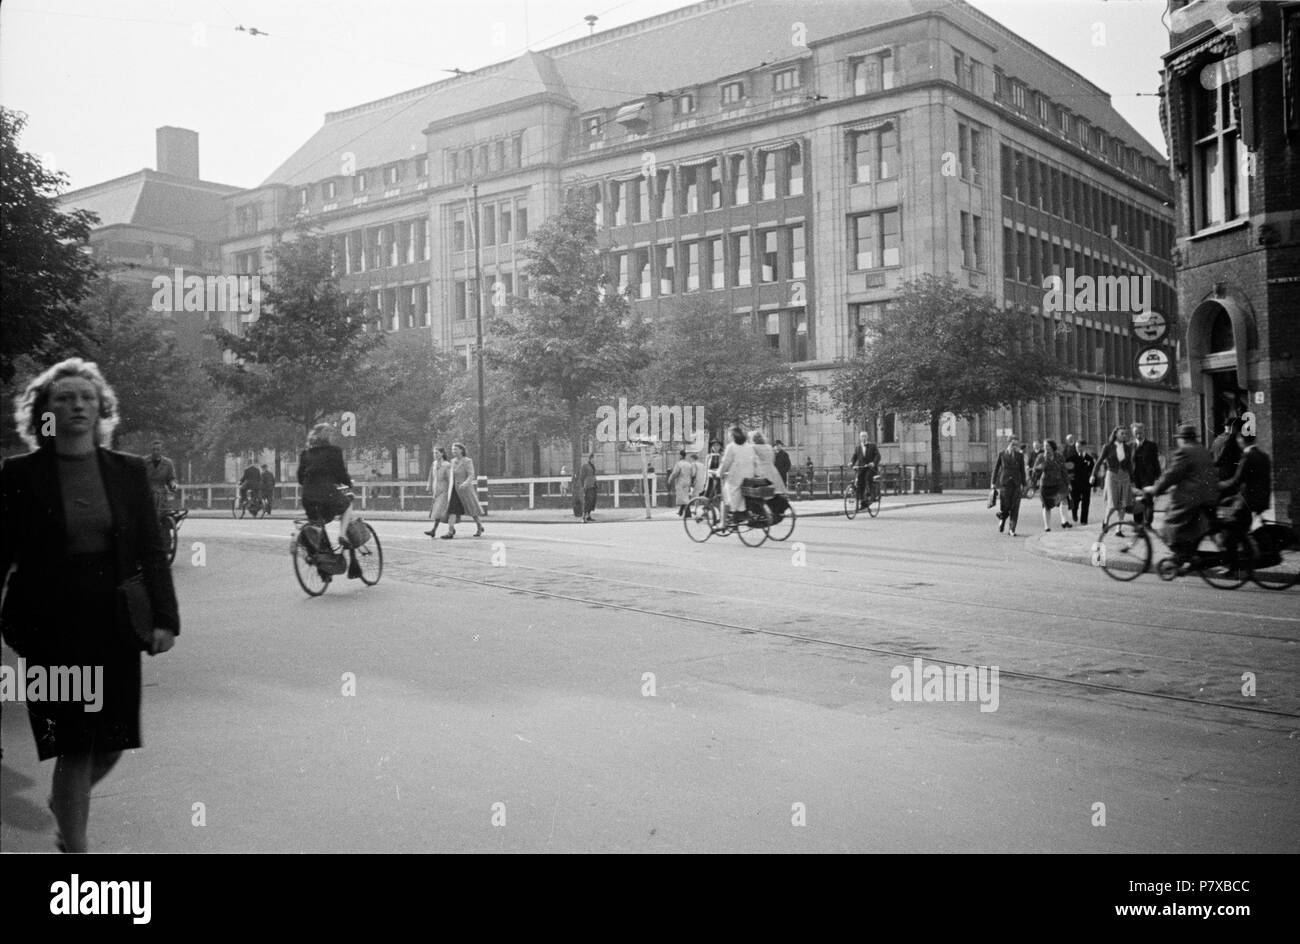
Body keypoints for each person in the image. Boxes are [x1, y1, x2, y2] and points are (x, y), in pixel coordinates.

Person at [0, 358, 179, 853]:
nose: (76, 405)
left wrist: (164, 619)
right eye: (63, 398)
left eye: (86, 397)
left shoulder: (129, 472)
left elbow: (149, 551)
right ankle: (75, 852)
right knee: (75, 743)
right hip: (48, 623)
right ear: (45, 412)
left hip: (116, 619)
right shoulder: (19, 475)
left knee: (115, 738)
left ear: (102, 408)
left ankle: (67, 800)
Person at [1143, 423, 1218, 565]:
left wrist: (1154, 490)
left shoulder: (1185, 451)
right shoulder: (1203, 450)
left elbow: (1171, 475)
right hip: (1210, 496)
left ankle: (1180, 556)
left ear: (1182, 439)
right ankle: (1187, 553)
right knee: (1191, 528)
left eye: (1178, 438)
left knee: (1169, 522)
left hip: (1193, 498)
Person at [296, 423, 360, 577]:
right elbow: (341, 474)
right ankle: (342, 535)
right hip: (327, 495)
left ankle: (322, 566)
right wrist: (349, 484)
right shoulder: (334, 452)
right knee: (347, 505)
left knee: (318, 524)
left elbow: (300, 478)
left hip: (308, 498)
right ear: (328, 437)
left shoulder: (305, 454)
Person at [1219, 431, 1272, 524]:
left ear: (1240, 440)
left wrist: (1218, 485)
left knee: (1225, 517)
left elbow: (1236, 480)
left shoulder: (1247, 456)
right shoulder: (1264, 456)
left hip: (1249, 501)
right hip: (1263, 499)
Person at [1093, 425, 1135, 536]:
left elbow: (1129, 464)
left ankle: (1118, 529)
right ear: (1116, 434)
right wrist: (1093, 475)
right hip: (1112, 476)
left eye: (1126, 434)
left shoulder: (1127, 448)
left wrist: (1132, 479)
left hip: (1125, 476)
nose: (1124, 436)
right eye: (1122, 433)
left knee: (1124, 504)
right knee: (1113, 504)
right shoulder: (1107, 447)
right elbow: (1099, 461)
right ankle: (1106, 521)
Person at [442, 442, 484, 539]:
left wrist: (465, 483)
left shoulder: (467, 461)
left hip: (465, 490)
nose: (454, 451)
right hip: (454, 490)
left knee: (472, 510)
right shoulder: (452, 461)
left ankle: (479, 526)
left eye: (456, 449)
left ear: (461, 450)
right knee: (452, 510)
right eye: (452, 449)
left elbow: (471, 474)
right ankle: (450, 531)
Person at [717, 424, 757, 523]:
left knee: (726, 495)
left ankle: (724, 522)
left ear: (732, 436)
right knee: (740, 495)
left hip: (736, 476)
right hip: (749, 476)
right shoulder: (749, 446)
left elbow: (726, 462)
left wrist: (719, 473)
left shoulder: (731, 447)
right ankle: (738, 514)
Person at [750, 432, 790, 521]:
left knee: (758, 492)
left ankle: (761, 512)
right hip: (773, 471)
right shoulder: (768, 447)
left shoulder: (753, 447)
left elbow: (752, 460)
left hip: (762, 471)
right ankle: (777, 510)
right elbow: (773, 459)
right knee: (775, 492)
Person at [991, 435, 1026, 536]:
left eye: (1016, 444)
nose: (1014, 445)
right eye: (1013, 443)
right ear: (1009, 442)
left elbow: (1022, 471)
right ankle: (1002, 519)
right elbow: (996, 469)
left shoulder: (1020, 456)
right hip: (1005, 484)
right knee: (1005, 506)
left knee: (1015, 507)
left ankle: (1012, 529)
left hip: (1016, 484)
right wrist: (993, 483)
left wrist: (1024, 484)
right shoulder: (1002, 454)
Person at [1033, 439, 1071, 531]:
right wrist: (1039, 467)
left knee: (1064, 498)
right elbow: (1035, 470)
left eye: (1048, 446)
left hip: (1058, 483)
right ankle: (1047, 526)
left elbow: (1064, 471)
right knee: (1046, 506)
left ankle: (1064, 521)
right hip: (1045, 484)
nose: (1046, 448)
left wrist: (1068, 483)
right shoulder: (1041, 457)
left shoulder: (1059, 456)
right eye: (1045, 446)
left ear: (1053, 447)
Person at [1129, 422, 1161, 528]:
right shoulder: (1130, 446)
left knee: (1148, 500)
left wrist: (1158, 477)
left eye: (1140, 433)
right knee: (1137, 500)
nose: (1138, 435)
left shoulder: (1152, 445)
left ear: (1144, 432)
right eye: (1136, 433)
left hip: (1148, 477)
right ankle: (1138, 523)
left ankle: (1148, 522)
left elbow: (1155, 461)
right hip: (1135, 478)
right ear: (1133, 434)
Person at [145, 438, 178, 523]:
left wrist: (173, 484)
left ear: (161, 450)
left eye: (158, 449)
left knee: (164, 513)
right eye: (153, 449)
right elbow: (139, 478)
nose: (155, 451)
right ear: (150, 450)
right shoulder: (144, 462)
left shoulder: (168, 463)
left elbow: (171, 478)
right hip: (147, 493)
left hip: (162, 494)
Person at [1067, 439, 1095, 525]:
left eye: (1078, 447)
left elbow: (1093, 472)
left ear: (1084, 447)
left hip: (1086, 484)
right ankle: (1074, 513)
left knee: (1086, 502)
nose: (1077, 448)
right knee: (1075, 502)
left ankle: (1084, 521)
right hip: (1075, 484)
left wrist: (1094, 485)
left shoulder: (1090, 459)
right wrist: (1068, 482)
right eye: (1076, 447)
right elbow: (1067, 470)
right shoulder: (1071, 458)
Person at [850, 431, 881, 509]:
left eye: (865, 436)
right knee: (859, 482)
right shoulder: (858, 447)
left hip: (870, 468)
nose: (863, 438)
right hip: (861, 468)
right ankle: (862, 499)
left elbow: (878, 456)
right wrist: (851, 463)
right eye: (862, 436)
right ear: (860, 438)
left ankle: (870, 496)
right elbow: (854, 457)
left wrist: (873, 463)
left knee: (867, 478)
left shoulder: (872, 446)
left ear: (867, 437)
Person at [424, 447, 451, 538]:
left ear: (442, 453)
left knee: (438, 511)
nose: (435, 455)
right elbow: (431, 477)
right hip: (436, 491)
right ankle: (452, 529)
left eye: (437, 453)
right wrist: (429, 487)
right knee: (442, 512)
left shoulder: (447, 465)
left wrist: (450, 490)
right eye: (434, 453)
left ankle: (433, 530)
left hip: (444, 490)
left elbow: (450, 478)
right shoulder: (434, 464)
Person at [666, 449, 696, 518]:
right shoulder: (689, 464)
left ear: (680, 455)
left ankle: (688, 513)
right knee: (685, 496)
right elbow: (693, 473)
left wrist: (670, 479)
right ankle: (680, 512)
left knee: (683, 498)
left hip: (681, 482)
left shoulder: (679, 464)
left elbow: (675, 473)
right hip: (688, 481)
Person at [578, 453, 598, 522]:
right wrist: (582, 486)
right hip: (588, 486)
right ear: (590, 458)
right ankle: (583, 517)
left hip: (593, 485)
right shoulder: (585, 466)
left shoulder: (593, 466)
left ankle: (588, 515)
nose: (594, 460)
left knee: (592, 501)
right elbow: (582, 476)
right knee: (587, 501)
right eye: (593, 458)